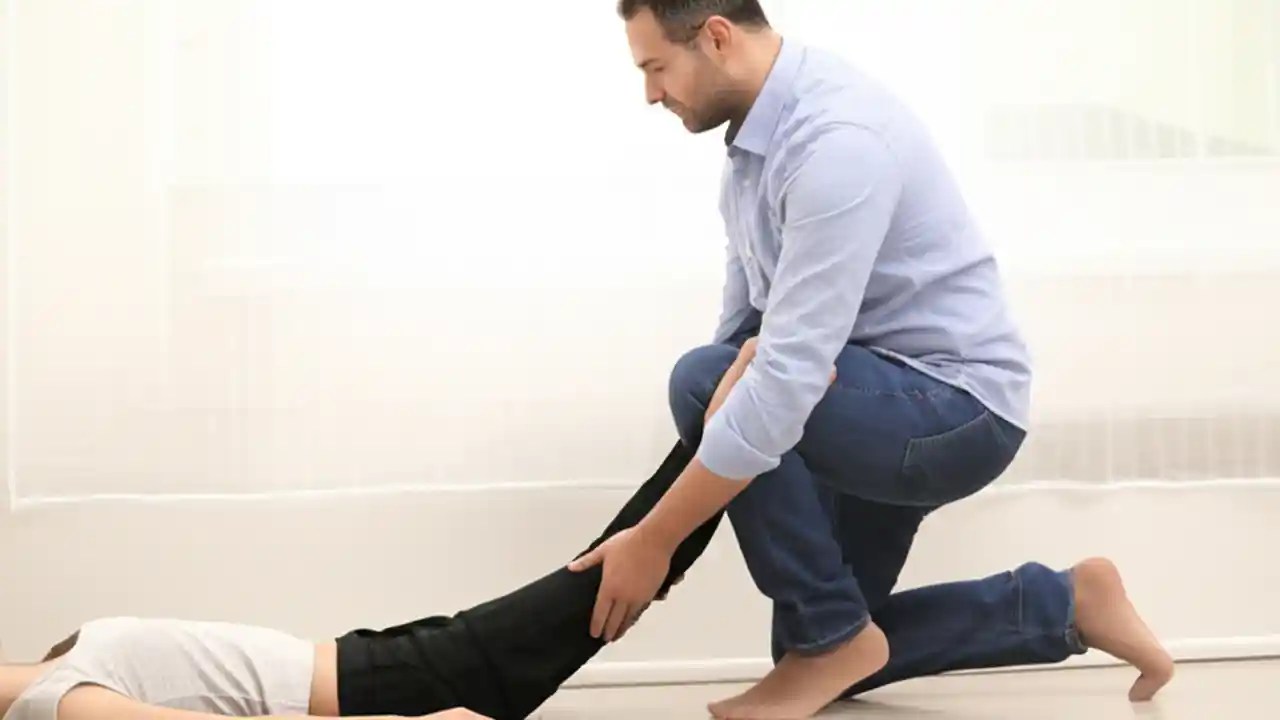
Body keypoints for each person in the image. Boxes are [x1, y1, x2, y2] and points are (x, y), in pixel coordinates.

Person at [567, 2, 1176, 719]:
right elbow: (746, 332)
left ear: (717, 37)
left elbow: (779, 381)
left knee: (705, 381)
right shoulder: (754, 152)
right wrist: (665, 511)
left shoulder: (837, 144)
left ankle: (833, 638)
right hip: (867, 388)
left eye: (655, 68)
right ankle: (1064, 602)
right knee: (811, 640)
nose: (650, 93)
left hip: (952, 409)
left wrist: (656, 541)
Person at [0, 347, 761, 720]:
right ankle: (734, 424)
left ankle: (736, 426)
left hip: (388, 676)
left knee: (607, 581)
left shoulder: (62, 681)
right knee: (604, 583)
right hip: (387, 682)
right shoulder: (62, 687)